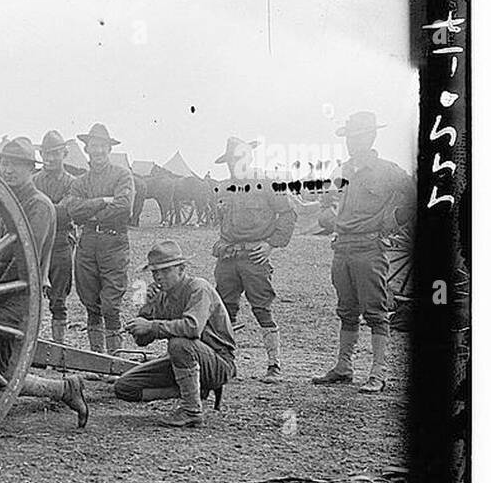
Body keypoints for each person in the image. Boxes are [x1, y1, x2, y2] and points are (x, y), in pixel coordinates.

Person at [0, 137, 88, 425]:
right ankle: (65, 389)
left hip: (18, 303)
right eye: (4, 163)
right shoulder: (10, 202)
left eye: (15, 164)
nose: (8, 169)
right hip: (1, 292)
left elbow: (22, 264)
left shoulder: (38, 206)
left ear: (30, 169)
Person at [311, 112, 415, 393]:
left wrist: (392, 221)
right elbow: (326, 200)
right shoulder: (341, 171)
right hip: (342, 248)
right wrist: (327, 214)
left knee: (376, 313)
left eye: (356, 137)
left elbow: (417, 195)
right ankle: (344, 367)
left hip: (370, 249)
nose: (350, 143)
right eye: (348, 138)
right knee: (346, 310)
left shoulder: (388, 171)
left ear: (370, 137)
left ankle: (378, 374)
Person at [114, 240, 237, 428]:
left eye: (165, 271)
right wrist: (148, 307)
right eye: (155, 273)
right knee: (125, 387)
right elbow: (142, 340)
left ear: (181, 269)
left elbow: (192, 328)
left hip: (217, 362)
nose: (159, 277)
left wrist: (151, 326)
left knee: (179, 344)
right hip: (183, 361)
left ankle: (191, 410)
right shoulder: (163, 296)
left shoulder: (198, 288)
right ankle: (194, 389)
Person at [212, 136, 296, 381]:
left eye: (239, 158)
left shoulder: (268, 186)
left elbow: (288, 215)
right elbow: (223, 221)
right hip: (228, 258)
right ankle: (227, 363)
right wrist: (222, 241)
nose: (234, 164)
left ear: (249, 158)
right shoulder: (224, 187)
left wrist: (270, 245)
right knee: (225, 310)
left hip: (255, 259)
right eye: (230, 161)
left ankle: (274, 365)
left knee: (262, 308)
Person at [59, 123, 135, 354]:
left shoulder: (123, 175)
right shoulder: (81, 181)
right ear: (87, 149)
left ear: (109, 149)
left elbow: (124, 207)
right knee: (91, 303)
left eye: (102, 146)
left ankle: (115, 358)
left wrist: (90, 212)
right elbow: (72, 209)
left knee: (111, 305)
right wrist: (102, 201)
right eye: (94, 146)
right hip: (88, 243)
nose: (98, 151)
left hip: (114, 243)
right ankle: (97, 357)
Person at [31, 130, 78, 343]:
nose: (49, 159)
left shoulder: (73, 183)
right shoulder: (33, 180)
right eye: (45, 154)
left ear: (64, 154)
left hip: (60, 242)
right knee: (31, 296)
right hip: (35, 243)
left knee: (58, 300)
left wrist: (41, 209)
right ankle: (32, 346)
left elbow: (65, 211)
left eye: (54, 154)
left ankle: (58, 349)